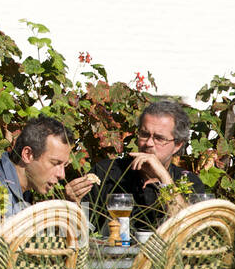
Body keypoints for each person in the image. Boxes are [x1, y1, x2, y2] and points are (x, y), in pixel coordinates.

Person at [86, 100, 206, 233]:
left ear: (177, 145)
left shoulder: (187, 181)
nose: (149, 143)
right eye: (144, 135)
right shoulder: (106, 173)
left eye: (159, 138)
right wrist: (71, 202)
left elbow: (189, 230)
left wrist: (164, 178)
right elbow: (80, 231)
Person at [0, 116, 81, 220]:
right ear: (27, 154)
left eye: (64, 165)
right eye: (55, 163)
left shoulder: (20, 187)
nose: (62, 175)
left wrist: (69, 206)